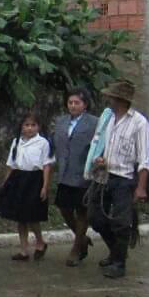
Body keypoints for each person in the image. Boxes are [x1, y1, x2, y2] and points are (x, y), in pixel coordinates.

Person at [87, 79, 149, 279]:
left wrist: (141, 187)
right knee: (95, 217)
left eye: (111, 97)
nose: (108, 100)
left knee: (121, 222)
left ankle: (119, 263)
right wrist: (98, 159)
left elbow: (144, 158)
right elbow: (102, 144)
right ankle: (115, 251)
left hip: (124, 178)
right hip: (104, 174)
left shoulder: (139, 123)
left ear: (119, 100)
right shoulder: (107, 118)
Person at [0, 112, 54, 260]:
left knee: (32, 216)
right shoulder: (17, 142)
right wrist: (5, 182)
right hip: (18, 179)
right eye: (27, 125)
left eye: (33, 125)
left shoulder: (43, 143)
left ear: (39, 127)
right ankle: (24, 250)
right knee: (20, 217)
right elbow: (12, 164)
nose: (30, 128)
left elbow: (46, 166)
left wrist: (45, 186)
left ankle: (40, 242)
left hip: (34, 180)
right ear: (21, 127)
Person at [51, 89, 99, 266]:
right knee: (64, 207)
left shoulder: (94, 123)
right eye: (70, 102)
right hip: (65, 173)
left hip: (83, 173)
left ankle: (76, 248)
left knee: (82, 211)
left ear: (84, 105)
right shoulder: (61, 122)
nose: (73, 106)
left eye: (77, 102)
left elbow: (99, 145)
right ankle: (83, 239)